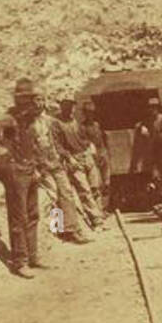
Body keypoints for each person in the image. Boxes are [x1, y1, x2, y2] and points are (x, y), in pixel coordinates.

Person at [0, 79, 47, 277]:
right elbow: (3, 149)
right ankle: (20, 261)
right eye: (30, 99)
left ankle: (33, 255)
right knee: (19, 218)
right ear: (21, 101)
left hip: (30, 171)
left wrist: (36, 168)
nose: (34, 103)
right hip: (16, 173)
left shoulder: (29, 120)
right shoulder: (9, 120)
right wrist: (13, 171)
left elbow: (33, 146)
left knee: (33, 215)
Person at [31, 94, 90, 244]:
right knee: (52, 195)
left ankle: (71, 229)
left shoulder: (51, 122)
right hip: (40, 165)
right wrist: (35, 167)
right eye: (36, 100)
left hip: (55, 162)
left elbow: (57, 143)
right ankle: (56, 229)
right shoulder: (28, 123)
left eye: (41, 100)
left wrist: (65, 157)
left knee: (67, 192)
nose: (39, 103)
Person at [52, 98, 104, 229]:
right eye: (67, 106)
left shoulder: (75, 121)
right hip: (73, 158)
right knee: (84, 190)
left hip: (86, 155)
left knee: (95, 187)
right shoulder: (56, 123)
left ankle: (99, 214)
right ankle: (97, 221)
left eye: (72, 106)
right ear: (62, 107)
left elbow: (84, 136)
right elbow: (58, 145)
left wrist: (90, 145)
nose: (70, 109)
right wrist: (69, 158)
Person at [80, 100, 111, 209]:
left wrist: (105, 153)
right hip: (92, 157)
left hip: (102, 154)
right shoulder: (82, 127)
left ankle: (105, 207)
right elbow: (84, 142)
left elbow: (103, 139)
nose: (90, 115)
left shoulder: (97, 125)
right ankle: (99, 208)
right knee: (96, 183)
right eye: (88, 112)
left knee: (107, 182)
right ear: (84, 113)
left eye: (92, 112)